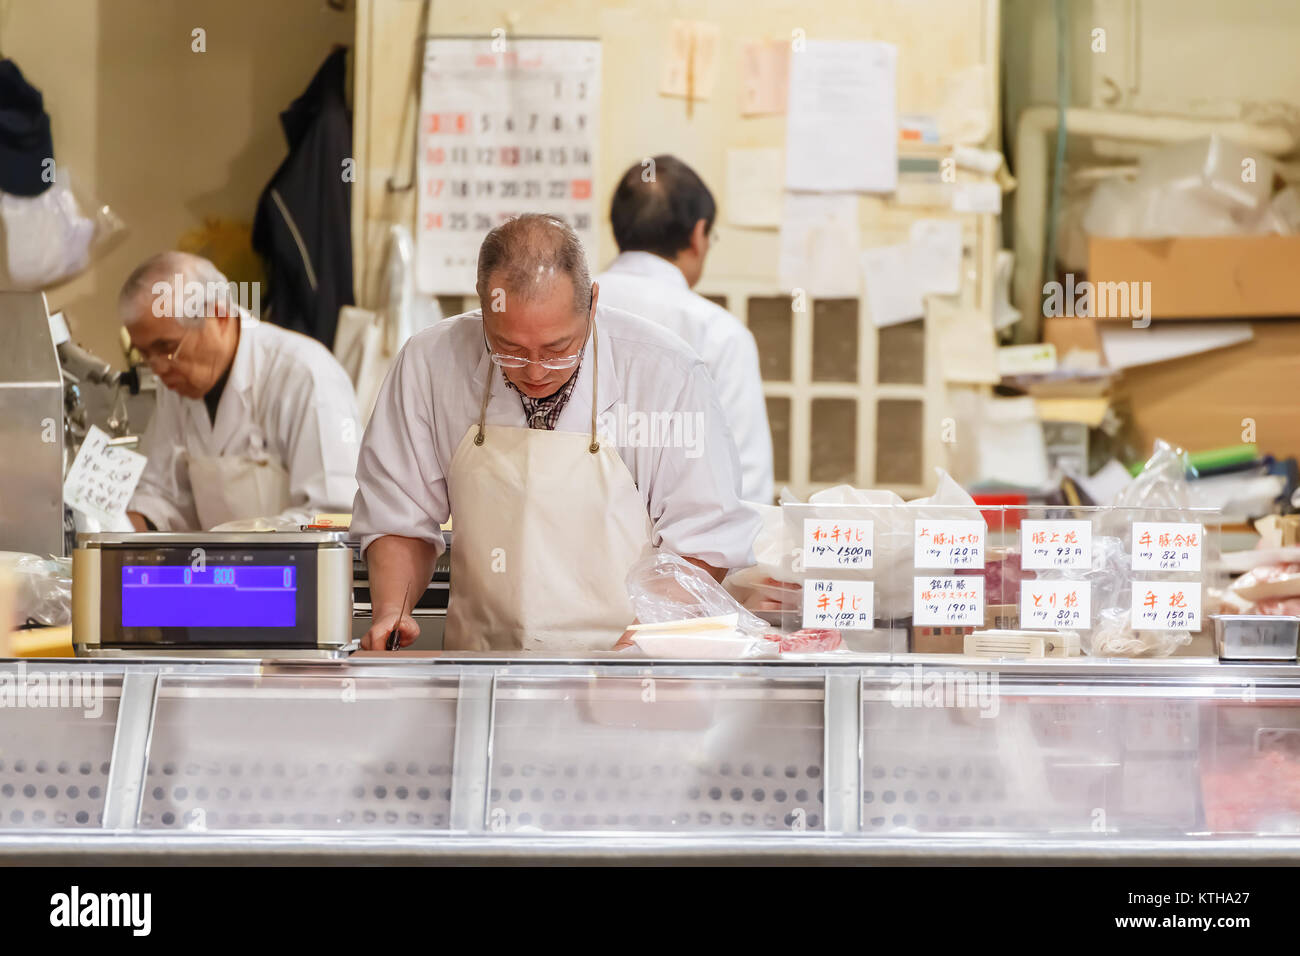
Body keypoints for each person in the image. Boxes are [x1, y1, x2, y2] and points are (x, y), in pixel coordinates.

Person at [353, 214, 760, 654]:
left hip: (627, 670)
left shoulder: (666, 373)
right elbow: (399, 515)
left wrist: (648, 638)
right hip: (482, 667)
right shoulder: (429, 362)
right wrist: (393, 610)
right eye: (507, 349)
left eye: (557, 349)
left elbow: (706, 537)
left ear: (593, 302)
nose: (533, 371)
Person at [122, 251, 360, 531]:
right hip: (215, 569)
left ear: (220, 315)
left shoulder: (303, 374)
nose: (158, 368)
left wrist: (236, 539)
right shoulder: (176, 385)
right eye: (144, 354)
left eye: (167, 348)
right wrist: (111, 530)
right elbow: (163, 497)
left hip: (295, 572)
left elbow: (334, 516)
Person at [597, 154, 774, 503]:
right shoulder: (720, 333)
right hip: (686, 554)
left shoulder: (566, 311)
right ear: (698, 235)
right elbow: (747, 486)